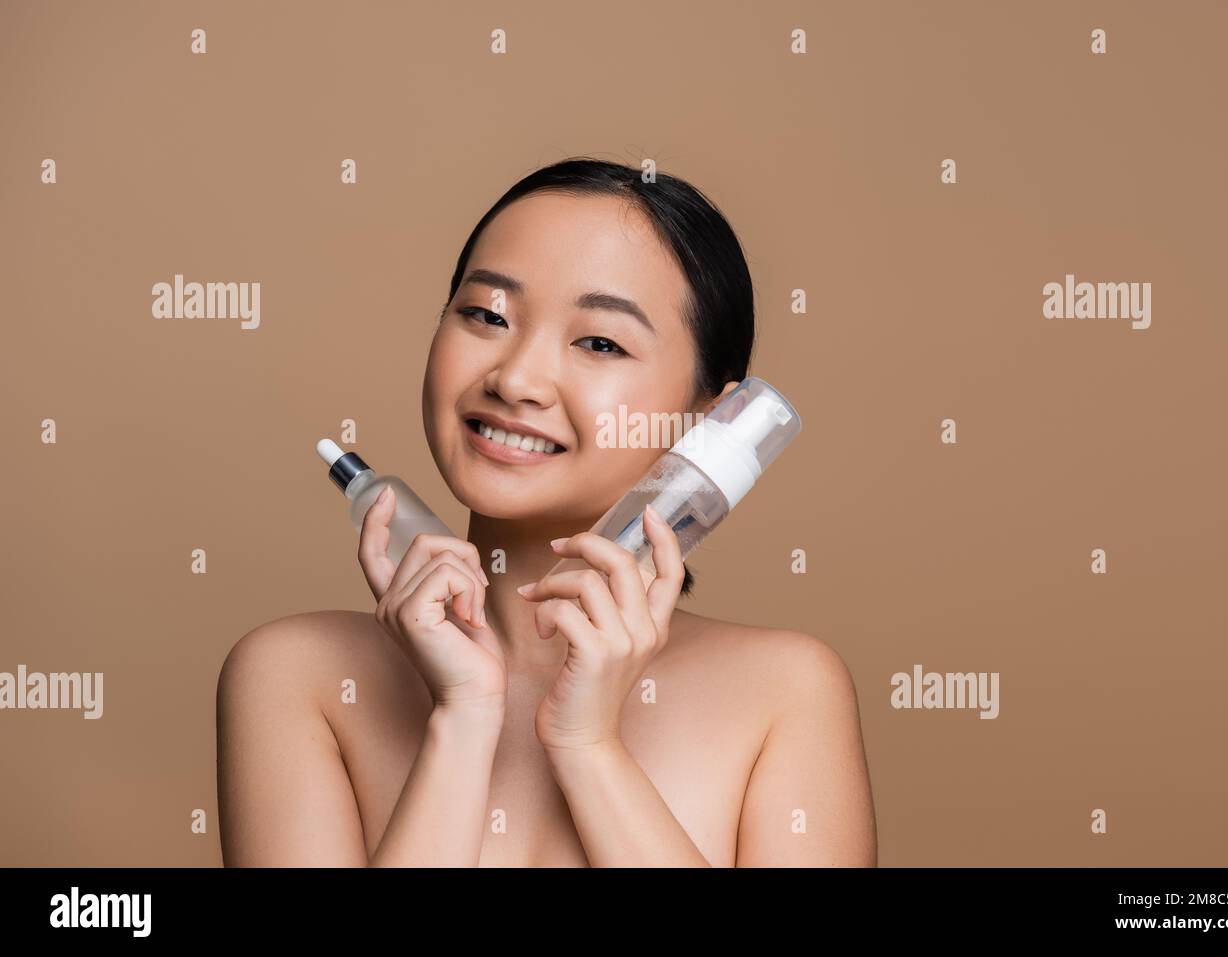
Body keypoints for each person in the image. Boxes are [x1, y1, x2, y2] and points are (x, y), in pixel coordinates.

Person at [216, 157, 877, 866]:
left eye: (599, 342)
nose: (516, 378)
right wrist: (462, 720)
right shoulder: (296, 678)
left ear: (710, 421)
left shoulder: (785, 694)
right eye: (486, 314)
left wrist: (588, 748)